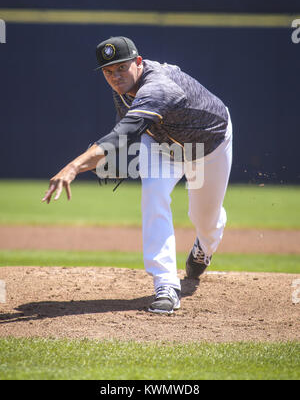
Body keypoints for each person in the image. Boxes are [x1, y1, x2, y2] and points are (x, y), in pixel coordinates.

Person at [42, 36, 233, 315]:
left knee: (205, 218)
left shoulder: (158, 86)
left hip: (209, 144)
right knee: (154, 194)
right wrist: (105, 159)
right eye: (108, 71)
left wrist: (74, 166)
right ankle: (165, 285)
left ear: (138, 62)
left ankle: (205, 245)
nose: (115, 76)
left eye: (121, 67)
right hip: (162, 145)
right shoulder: (123, 88)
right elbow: (126, 133)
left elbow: (124, 134)